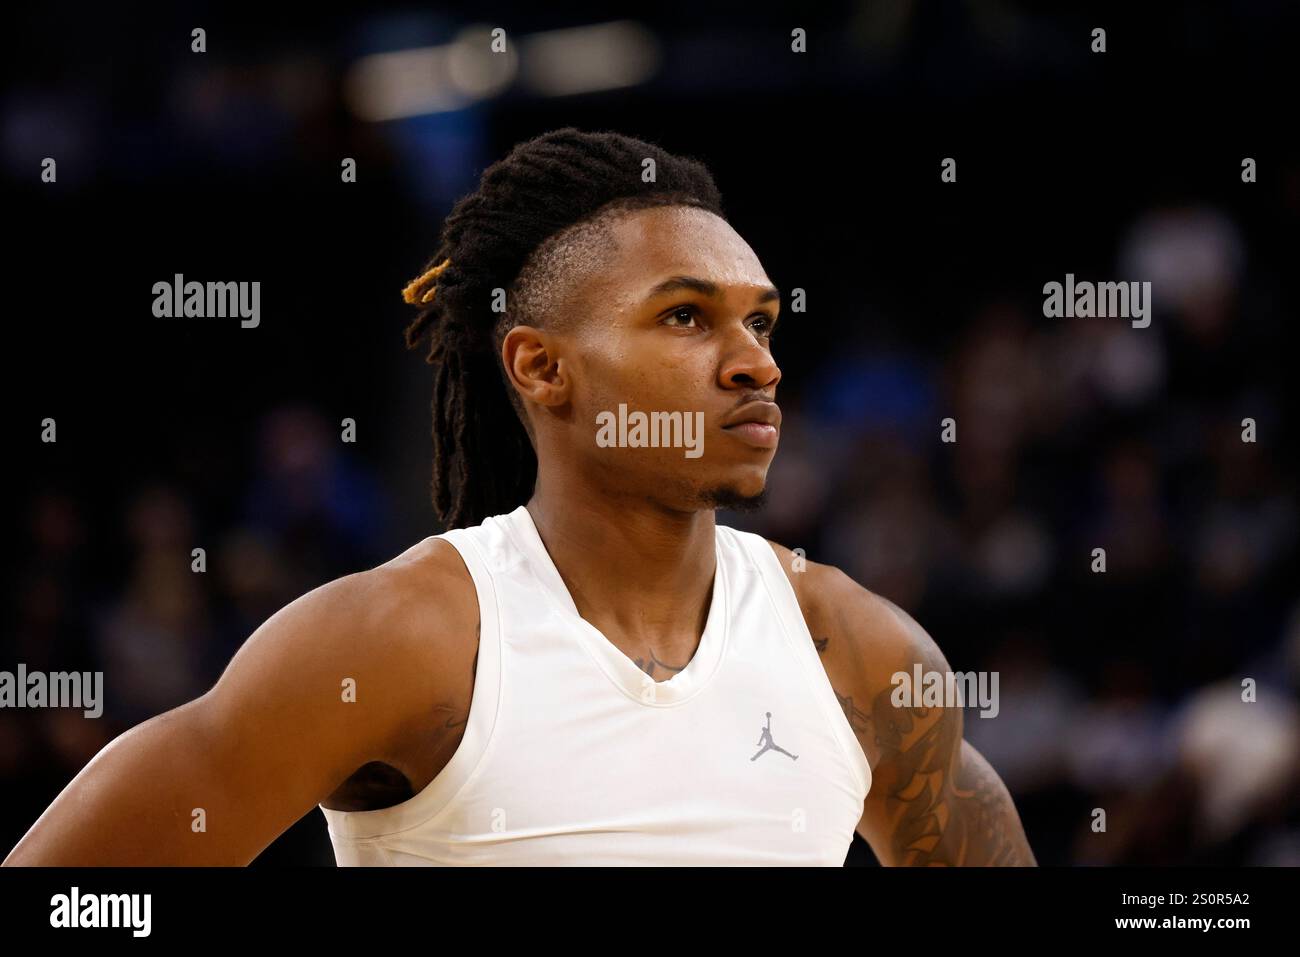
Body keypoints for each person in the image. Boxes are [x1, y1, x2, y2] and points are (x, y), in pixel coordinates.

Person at [3, 128, 1035, 866]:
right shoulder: (399, 639)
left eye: (760, 324)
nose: (752, 365)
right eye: (685, 318)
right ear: (541, 368)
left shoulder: (860, 652)